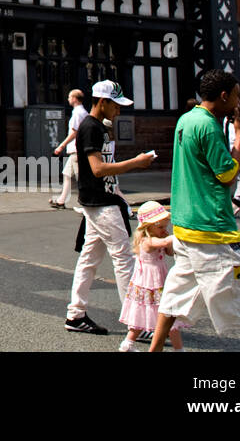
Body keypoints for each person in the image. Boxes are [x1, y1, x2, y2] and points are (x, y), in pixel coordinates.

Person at [151, 69, 240, 352]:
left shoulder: (186, 119)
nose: (239, 102)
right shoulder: (209, 126)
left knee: (177, 292)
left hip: (185, 222)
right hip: (213, 226)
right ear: (225, 96)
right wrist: (239, 137)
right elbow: (227, 173)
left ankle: (153, 349)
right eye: (237, 95)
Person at [64, 80, 153, 336]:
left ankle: (75, 314)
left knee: (89, 259)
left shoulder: (94, 126)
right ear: (102, 102)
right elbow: (98, 169)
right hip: (102, 202)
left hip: (96, 201)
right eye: (116, 105)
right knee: (124, 259)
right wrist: (135, 163)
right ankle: (136, 323)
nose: (119, 111)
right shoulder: (92, 128)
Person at [116, 201, 184, 352]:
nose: (163, 230)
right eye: (160, 227)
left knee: (145, 316)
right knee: (169, 316)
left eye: (165, 227)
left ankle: (127, 344)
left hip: (155, 280)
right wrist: (180, 235)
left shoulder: (155, 239)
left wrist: (168, 242)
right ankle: (179, 350)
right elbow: (165, 242)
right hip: (152, 281)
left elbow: (170, 252)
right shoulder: (147, 240)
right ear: (147, 227)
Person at [51, 89, 87, 209]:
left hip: (77, 150)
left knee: (81, 178)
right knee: (67, 175)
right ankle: (61, 201)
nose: (68, 99)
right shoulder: (82, 112)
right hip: (75, 151)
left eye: (69, 97)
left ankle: (86, 201)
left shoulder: (78, 113)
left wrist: (61, 145)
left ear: (75, 99)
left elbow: (74, 132)